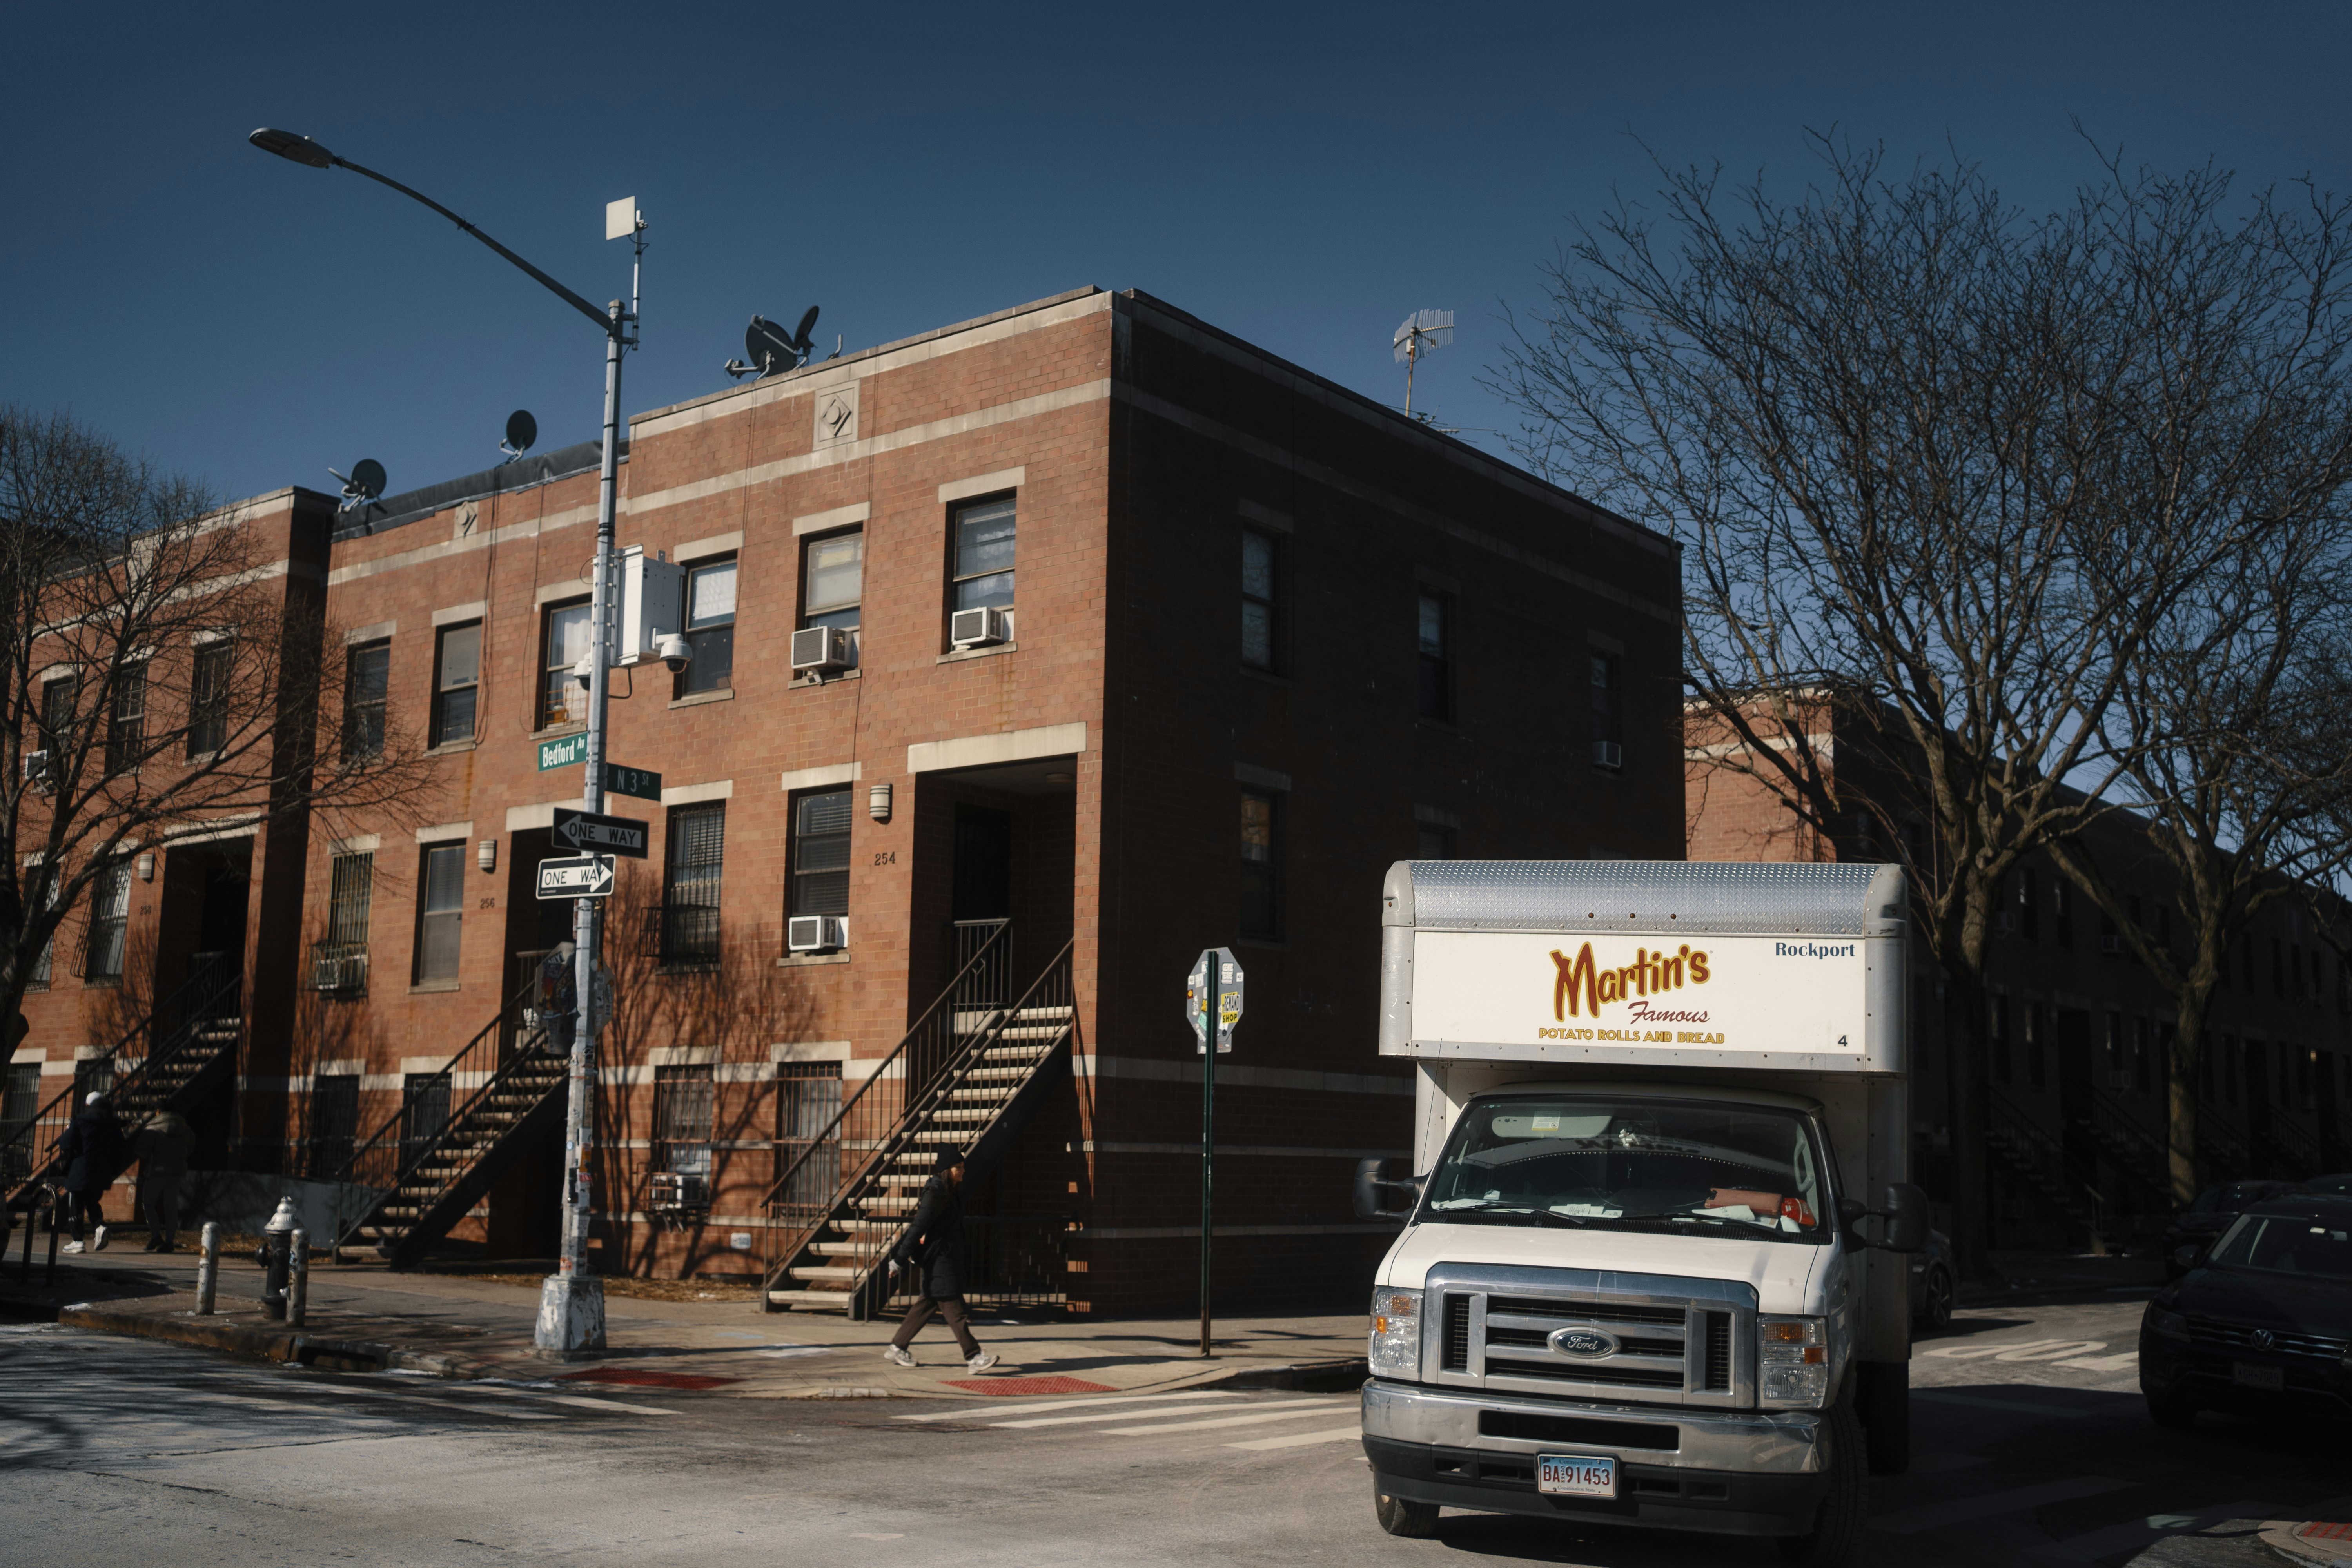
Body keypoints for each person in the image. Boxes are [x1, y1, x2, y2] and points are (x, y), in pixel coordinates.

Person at [882, 1148, 998, 1374]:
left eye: (963, 1167)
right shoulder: (935, 1193)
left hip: (945, 1257)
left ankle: (897, 1347)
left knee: (926, 1304)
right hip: (939, 1260)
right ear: (947, 1170)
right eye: (959, 1168)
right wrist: (898, 1260)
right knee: (955, 1310)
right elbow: (918, 1227)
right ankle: (974, 1357)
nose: (963, 1171)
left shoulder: (949, 1191)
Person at [57, 1091, 124, 1254]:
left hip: (80, 1170)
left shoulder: (80, 1122)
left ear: (88, 1105)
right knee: (92, 1202)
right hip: (102, 1172)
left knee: (76, 1206)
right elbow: (121, 1150)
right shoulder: (114, 1124)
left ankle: (78, 1240)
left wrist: (67, 1130)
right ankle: (100, 1226)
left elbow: (65, 1145)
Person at [134, 1108, 196, 1252]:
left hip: (157, 1171)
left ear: (158, 1112)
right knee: (171, 1205)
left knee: (148, 1203)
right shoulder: (186, 1129)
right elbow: (190, 1148)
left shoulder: (153, 1129)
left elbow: (142, 1151)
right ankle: (170, 1240)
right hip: (177, 1171)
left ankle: (156, 1235)